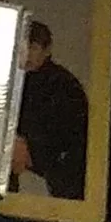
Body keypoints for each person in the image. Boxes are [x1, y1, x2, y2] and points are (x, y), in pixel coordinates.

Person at [9, 20, 92, 203]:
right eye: (24, 47)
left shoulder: (62, 84)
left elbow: (69, 129)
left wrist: (27, 146)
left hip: (64, 159)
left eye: (33, 47)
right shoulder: (16, 79)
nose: (28, 53)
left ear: (46, 50)